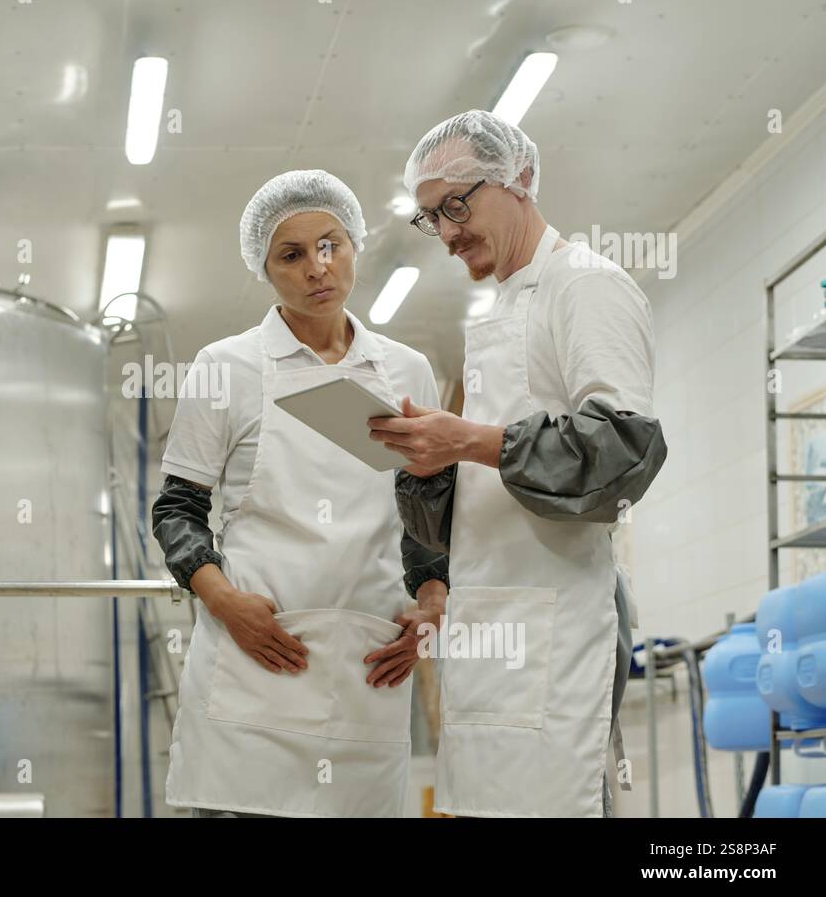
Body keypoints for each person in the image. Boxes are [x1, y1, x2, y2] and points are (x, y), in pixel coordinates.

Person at [371, 109, 667, 817]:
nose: (445, 232)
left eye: (456, 205)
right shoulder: (500, 314)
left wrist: (469, 441)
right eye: (430, 218)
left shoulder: (585, 286)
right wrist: (427, 472)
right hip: (489, 632)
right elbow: (487, 490)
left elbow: (623, 457)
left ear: (522, 179)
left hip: (556, 629)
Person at [151, 170, 446, 817]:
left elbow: (425, 513)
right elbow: (177, 509)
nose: (318, 267)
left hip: (368, 668)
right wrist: (226, 603)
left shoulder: (406, 371)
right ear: (265, 268)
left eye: (331, 244)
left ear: (355, 245)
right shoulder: (226, 367)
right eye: (291, 255)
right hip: (255, 664)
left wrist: (432, 602)